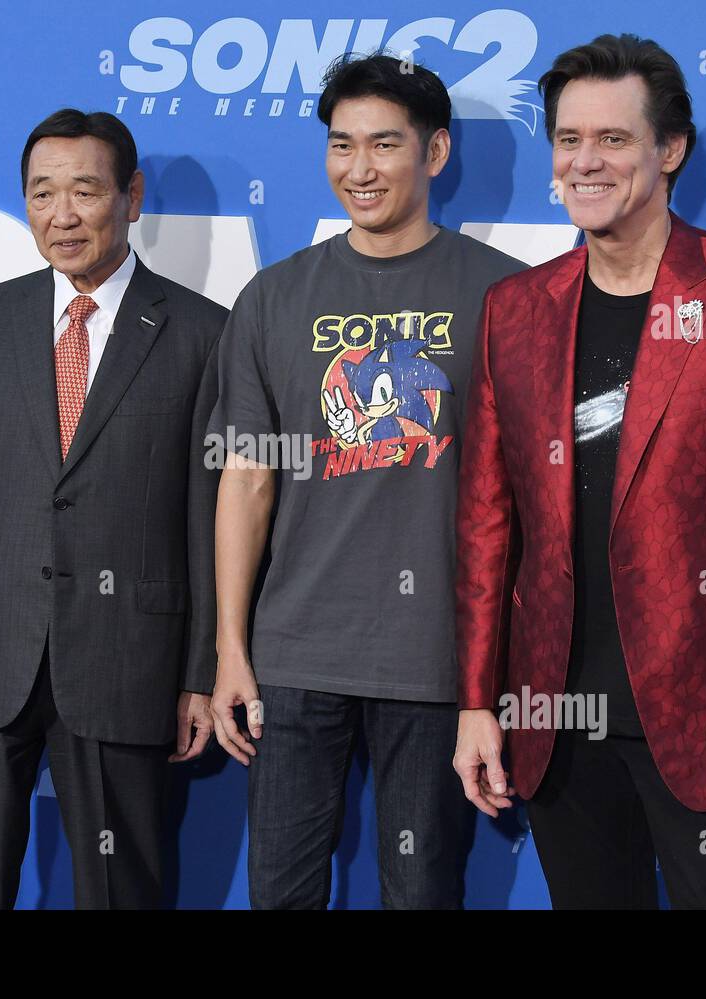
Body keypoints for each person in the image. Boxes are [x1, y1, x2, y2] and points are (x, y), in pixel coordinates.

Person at [453, 33, 706, 909]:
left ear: (670, 150)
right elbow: (487, 523)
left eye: (613, 139)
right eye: (567, 140)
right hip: (556, 722)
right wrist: (479, 700)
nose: (584, 162)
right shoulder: (515, 311)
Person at [209, 52, 524, 909]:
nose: (360, 168)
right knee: (281, 891)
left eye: (385, 144)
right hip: (296, 655)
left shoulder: (504, 294)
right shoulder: (274, 298)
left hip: (438, 661)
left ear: (436, 152)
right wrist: (232, 650)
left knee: (421, 891)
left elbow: (531, 495)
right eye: (342, 145)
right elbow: (245, 480)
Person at [0, 109, 227, 909]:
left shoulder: (203, 331)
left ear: (132, 196)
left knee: (124, 888)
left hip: (129, 656)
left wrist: (200, 672)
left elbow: (209, 518)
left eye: (85, 190)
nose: (63, 214)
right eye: (42, 193)